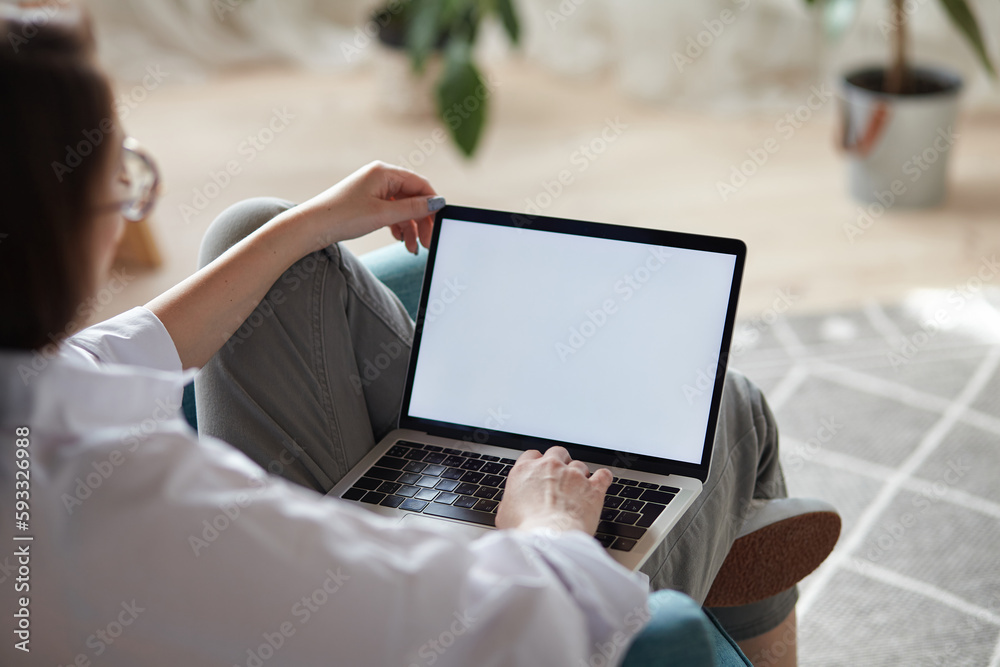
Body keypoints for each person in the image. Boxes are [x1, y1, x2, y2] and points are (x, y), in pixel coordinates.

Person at [0, 5, 837, 666]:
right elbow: (524, 627)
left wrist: (310, 225)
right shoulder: (128, 512)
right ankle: (737, 536)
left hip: (304, 562)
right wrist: (543, 524)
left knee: (253, 228)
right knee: (726, 407)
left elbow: (106, 359)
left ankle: (727, 518)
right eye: (121, 179)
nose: (124, 207)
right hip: (432, 622)